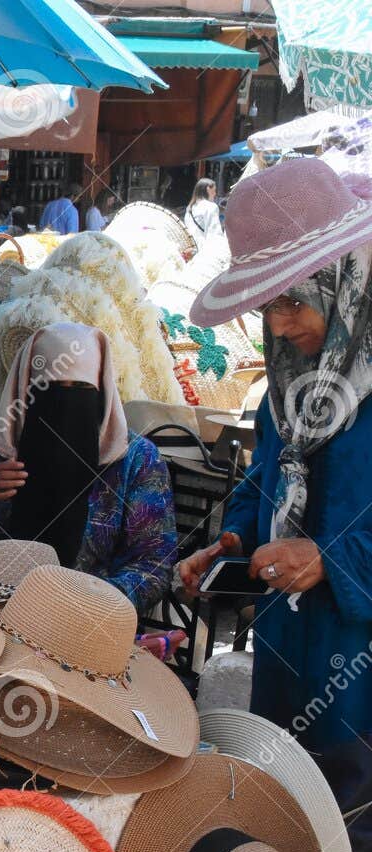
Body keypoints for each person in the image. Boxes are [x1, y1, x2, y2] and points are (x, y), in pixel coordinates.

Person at [178, 158, 372, 793]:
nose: (282, 324)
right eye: (269, 306)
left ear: (342, 281)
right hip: (286, 661)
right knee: (286, 810)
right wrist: (232, 540)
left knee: (355, 837)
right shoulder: (283, 392)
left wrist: (331, 561)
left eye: (294, 301)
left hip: (358, 679)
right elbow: (262, 480)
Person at [0, 322, 176, 611]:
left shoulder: (135, 461)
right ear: (26, 390)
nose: (65, 402)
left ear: (101, 392)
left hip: (88, 621)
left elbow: (154, 565)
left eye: (80, 389)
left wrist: (86, 600)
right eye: (50, 389)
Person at [184, 177, 222, 246]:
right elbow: (215, 232)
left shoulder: (189, 208)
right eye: (214, 191)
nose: (215, 194)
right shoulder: (211, 207)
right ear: (208, 189)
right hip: (204, 248)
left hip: (191, 247)